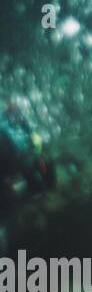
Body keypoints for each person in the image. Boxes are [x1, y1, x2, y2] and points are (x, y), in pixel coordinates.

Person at [0, 103, 57, 251]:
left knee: (10, 204)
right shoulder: (6, 131)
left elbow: (33, 140)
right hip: (15, 165)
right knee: (8, 208)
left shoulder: (19, 126)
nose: (14, 117)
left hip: (19, 163)